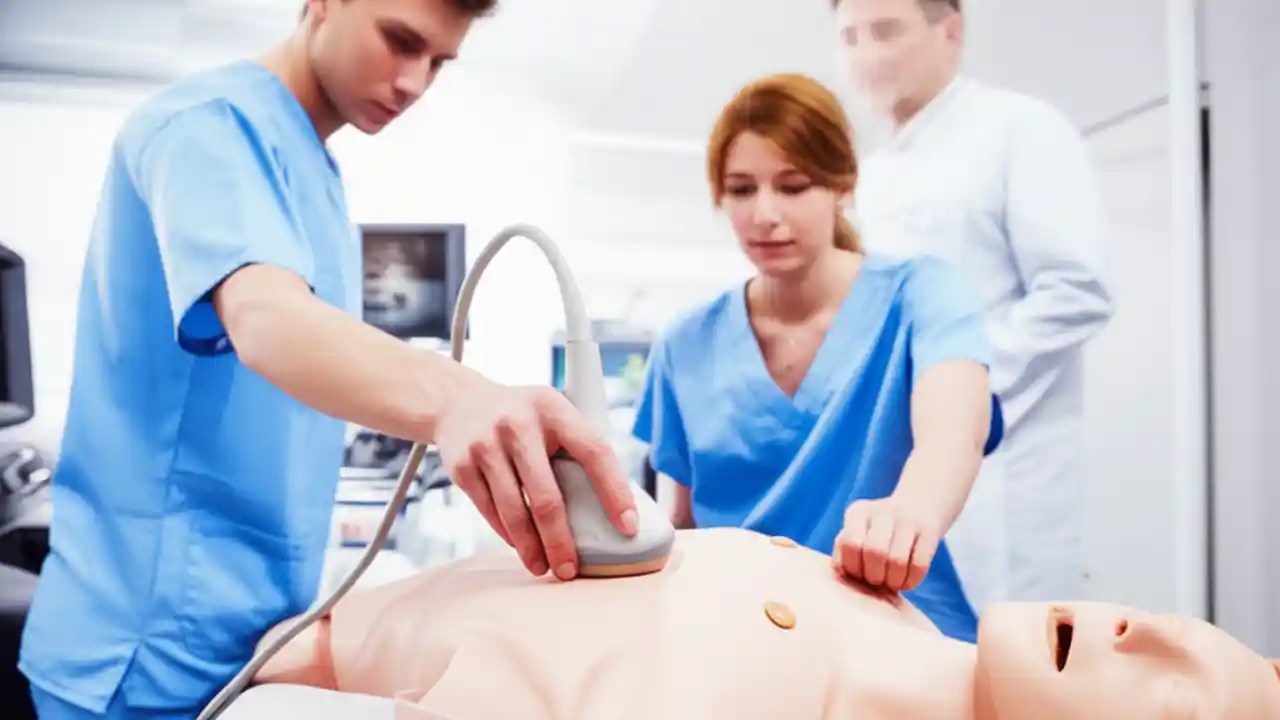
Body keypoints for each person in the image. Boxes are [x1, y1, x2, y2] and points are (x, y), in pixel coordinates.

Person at [19, 1, 642, 717]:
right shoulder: (207, 127)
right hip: (138, 653)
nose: (414, 83)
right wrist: (458, 399)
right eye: (400, 41)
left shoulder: (312, 172)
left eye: (438, 62)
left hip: (240, 636)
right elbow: (267, 320)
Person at [629, 72, 1001, 643]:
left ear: (843, 186)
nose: (764, 214)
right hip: (747, 632)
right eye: (741, 190)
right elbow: (679, 528)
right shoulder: (686, 342)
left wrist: (911, 513)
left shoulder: (921, 293)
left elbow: (953, 431)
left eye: (794, 185)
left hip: (897, 624)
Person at [225, 526, 1280, 719]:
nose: (1136, 632)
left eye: (1174, 708)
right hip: (327, 624)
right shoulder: (879, 597)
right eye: (1172, 619)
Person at [830, 0, 1116, 610]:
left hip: (1006, 476)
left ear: (951, 31)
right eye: (849, 37)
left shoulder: (1019, 128)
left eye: (885, 31)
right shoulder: (871, 170)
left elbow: (1076, 288)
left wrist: (954, 389)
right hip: (901, 466)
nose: (865, 55)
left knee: (1006, 648)